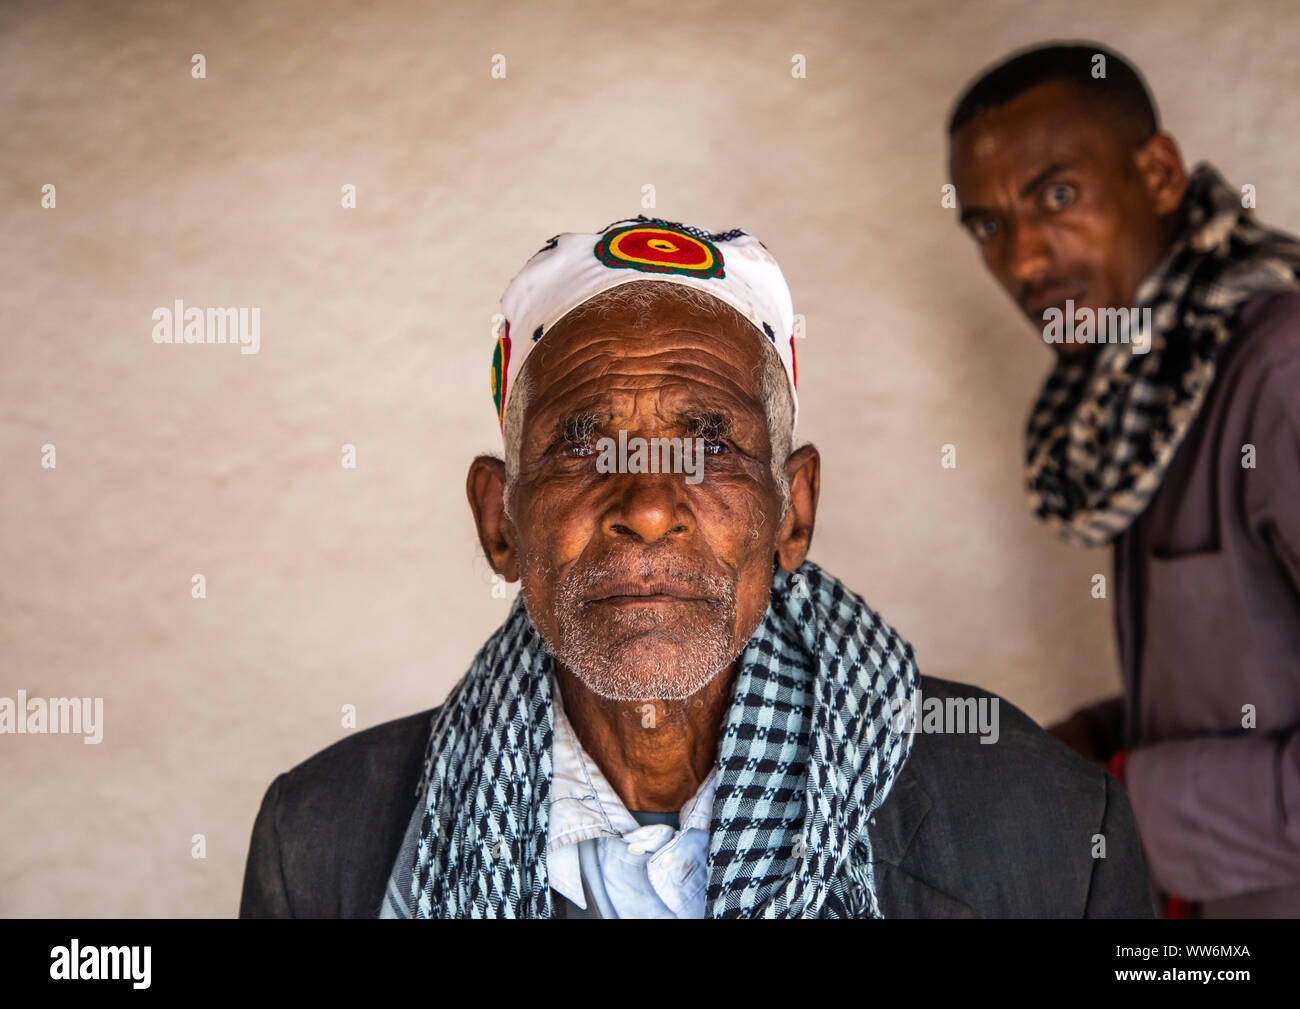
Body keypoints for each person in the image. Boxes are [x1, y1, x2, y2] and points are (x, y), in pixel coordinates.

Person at [239, 217, 1150, 918]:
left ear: (792, 511)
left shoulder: (1049, 828)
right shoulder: (323, 842)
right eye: (582, 445)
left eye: (709, 445)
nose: (644, 504)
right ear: (500, 519)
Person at [947, 43, 1300, 917]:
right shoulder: (1144, 394)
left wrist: (1125, 796)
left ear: (1160, 172)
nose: (1024, 262)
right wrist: (1076, 746)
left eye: (1056, 196)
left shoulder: (1281, 371)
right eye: (988, 225)